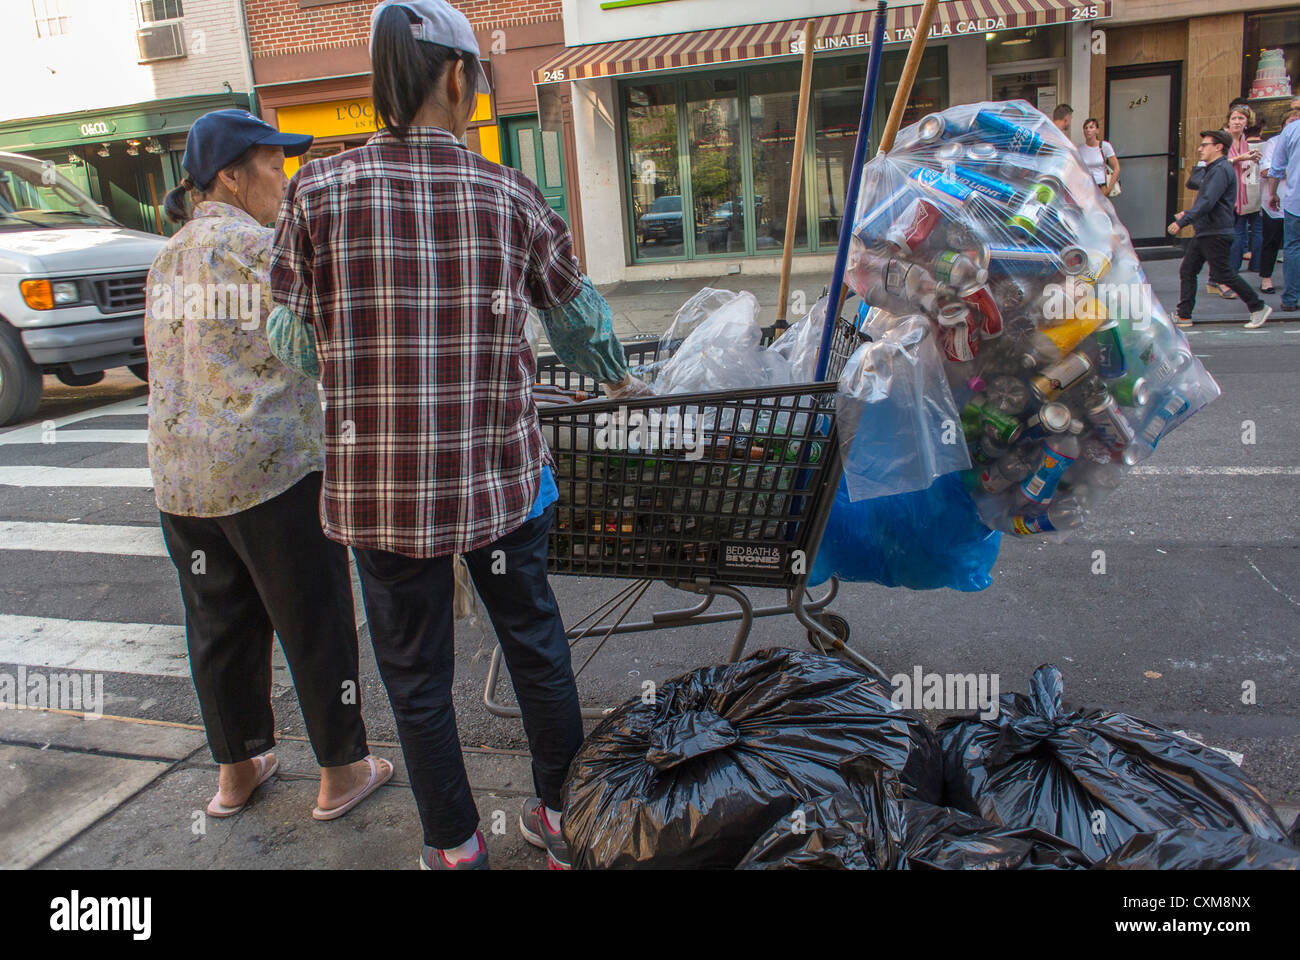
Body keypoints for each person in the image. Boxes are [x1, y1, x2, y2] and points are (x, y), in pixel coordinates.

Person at [268, 0, 648, 871]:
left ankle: (455, 845)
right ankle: (560, 819)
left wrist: (370, 368)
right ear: (453, 76)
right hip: (503, 485)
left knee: (415, 675)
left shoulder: (317, 191)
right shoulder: (509, 191)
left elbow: (291, 344)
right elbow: (582, 326)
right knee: (535, 646)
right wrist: (621, 378)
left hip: (380, 496)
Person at [146, 110, 393, 824]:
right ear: (231, 175)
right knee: (313, 619)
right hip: (268, 471)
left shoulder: (168, 255)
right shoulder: (255, 245)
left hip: (181, 480)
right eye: (273, 165)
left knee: (219, 626)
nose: (283, 181)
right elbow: (328, 325)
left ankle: (238, 768)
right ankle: (342, 770)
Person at [1169, 128, 1271, 329]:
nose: (1200, 149)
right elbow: (1193, 184)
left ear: (1219, 147)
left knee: (1223, 274)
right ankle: (1184, 315)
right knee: (1188, 270)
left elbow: (1207, 201)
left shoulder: (1221, 170)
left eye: (1204, 145)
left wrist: (1183, 221)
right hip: (1206, 230)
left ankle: (1258, 306)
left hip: (1215, 231)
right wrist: (1201, 164)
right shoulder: (1213, 169)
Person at [1258, 108, 1299, 295]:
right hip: (1281, 201)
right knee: (1273, 241)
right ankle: (1267, 277)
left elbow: (1275, 169)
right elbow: (1267, 170)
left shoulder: (1290, 136)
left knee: (1291, 247)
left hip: (1291, 200)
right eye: (1290, 121)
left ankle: (1291, 294)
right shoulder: (1274, 142)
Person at [1225, 107, 1263, 284]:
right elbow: (1216, 164)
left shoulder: (1245, 142)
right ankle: (1226, 275)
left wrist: (1252, 160)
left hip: (1240, 194)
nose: (1237, 122)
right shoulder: (1223, 140)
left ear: (1247, 123)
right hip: (1224, 193)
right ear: (1228, 121)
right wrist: (1240, 159)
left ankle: (1230, 274)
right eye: (1234, 118)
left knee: (1238, 233)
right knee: (1231, 234)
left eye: (1241, 118)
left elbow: (1249, 174)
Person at [1079, 118, 1119, 196]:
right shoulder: (1079, 149)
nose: (1088, 130)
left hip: (1101, 186)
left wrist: (1109, 188)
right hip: (1086, 188)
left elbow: (1116, 167)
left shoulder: (1104, 146)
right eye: (1085, 128)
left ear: (1097, 130)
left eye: (1091, 127)